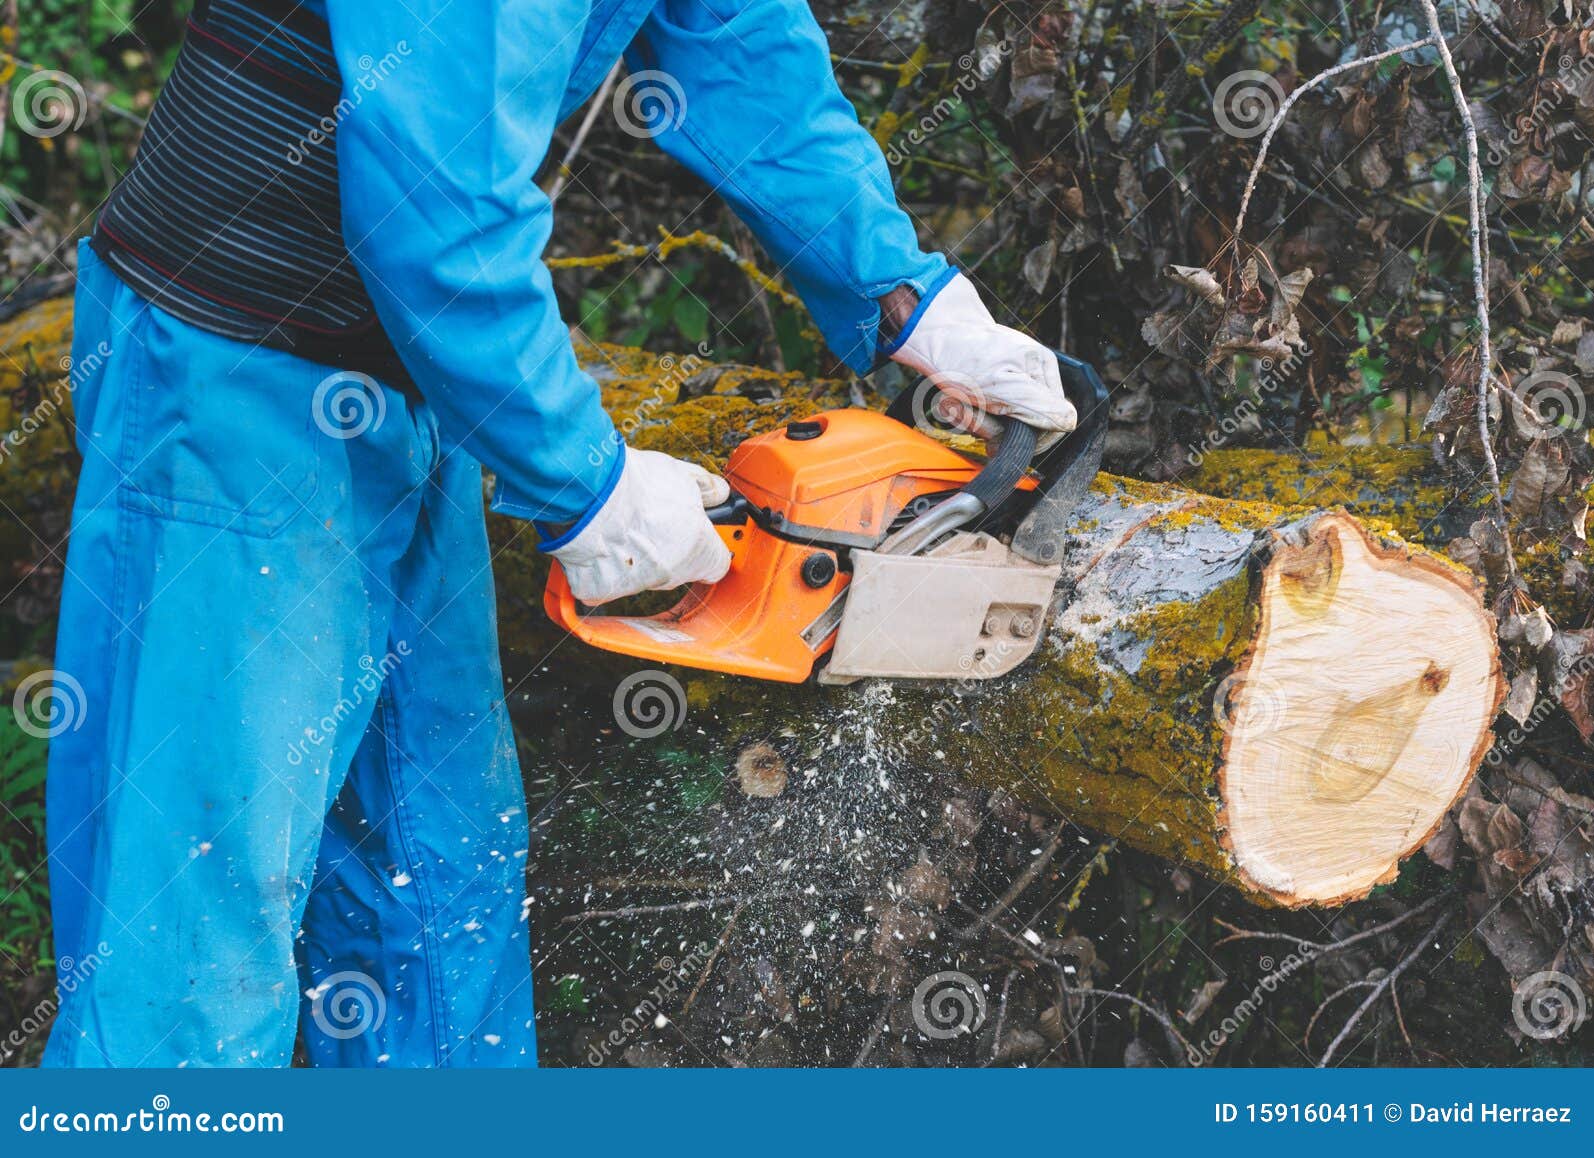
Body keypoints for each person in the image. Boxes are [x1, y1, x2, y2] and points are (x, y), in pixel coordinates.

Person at [44, 0, 1076, 1067]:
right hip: (232, 373)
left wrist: (905, 295)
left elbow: (732, 34)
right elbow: (430, 197)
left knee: (438, 882)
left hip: (417, 382)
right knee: (193, 927)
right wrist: (583, 481)